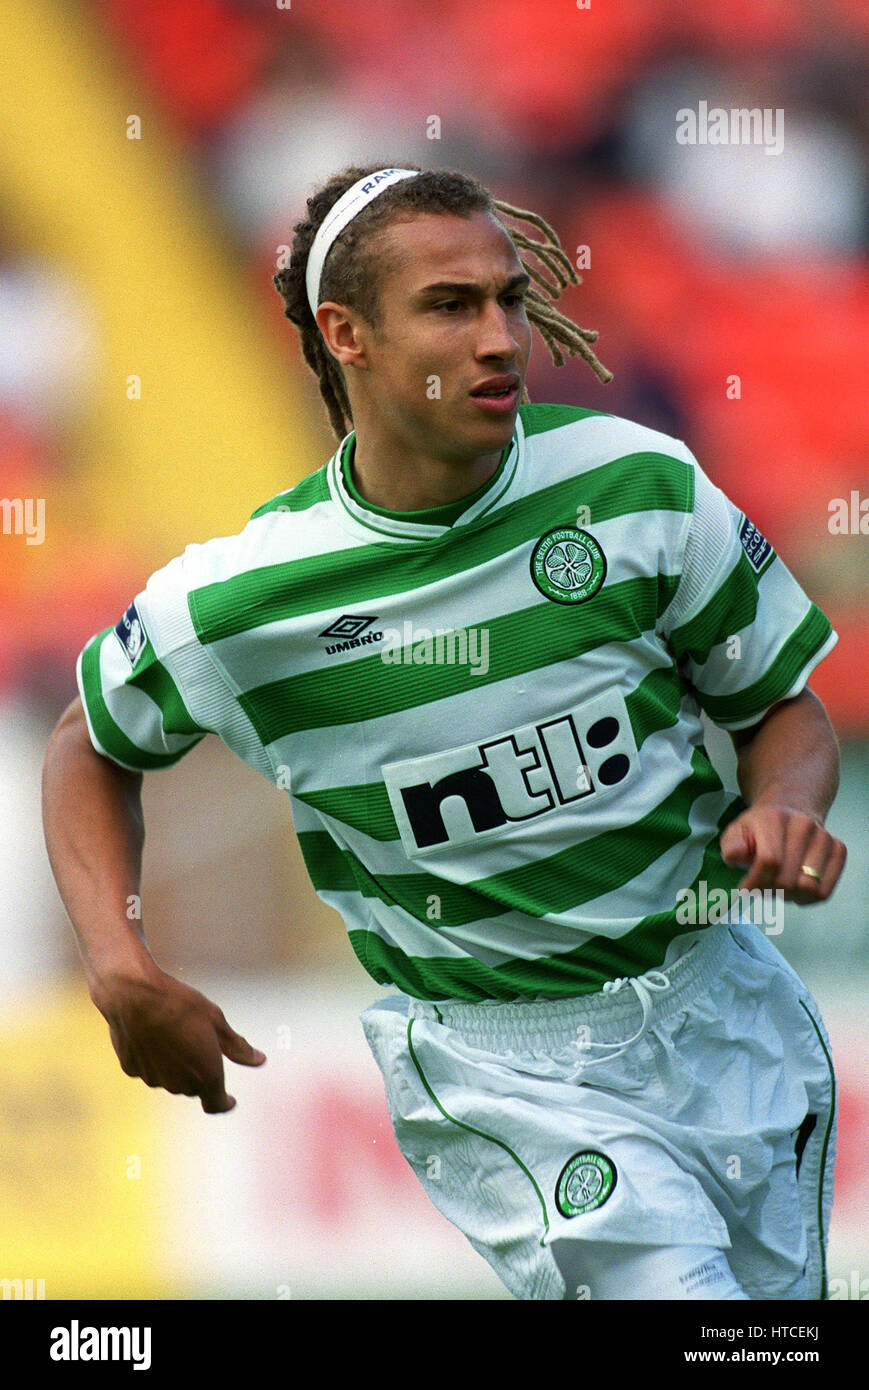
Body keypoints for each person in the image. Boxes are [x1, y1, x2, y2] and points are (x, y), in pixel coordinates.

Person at [42, 164, 846, 1301]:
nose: (501, 337)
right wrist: (119, 965)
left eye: (509, 299)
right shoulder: (241, 605)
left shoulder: (635, 488)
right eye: (448, 306)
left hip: (722, 1008)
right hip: (507, 1070)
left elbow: (774, 705)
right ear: (346, 335)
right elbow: (88, 744)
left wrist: (785, 805)